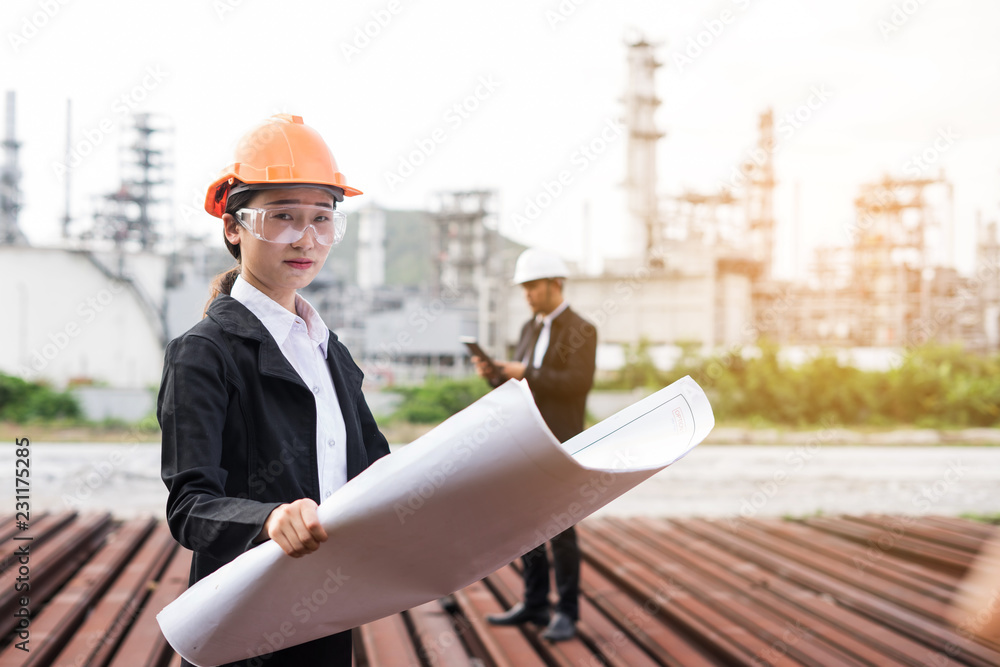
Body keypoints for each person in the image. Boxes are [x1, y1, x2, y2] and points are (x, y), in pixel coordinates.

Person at [158, 114, 390, 667]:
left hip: (330, 606)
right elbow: (190, 508)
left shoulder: (327, 348)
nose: (305, 239)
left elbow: (375, 469)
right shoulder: (204, 352)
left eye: (322, 220)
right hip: (247, 621)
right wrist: (266, 519)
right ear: (234, 228)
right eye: (282, 217)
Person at [473, 247, 597, 642]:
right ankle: (535, 603)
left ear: (555, 284)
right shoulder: (529, 328)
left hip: (562, 443)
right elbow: (522, 386)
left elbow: (576, 384)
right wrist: (494, 375)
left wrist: (526, 371)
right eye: (523, 287)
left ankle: (568, 613)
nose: (526, 294)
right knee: (527, 527)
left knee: (562, 530)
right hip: (525, 440)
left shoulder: (583, 329)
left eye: (532, 286)